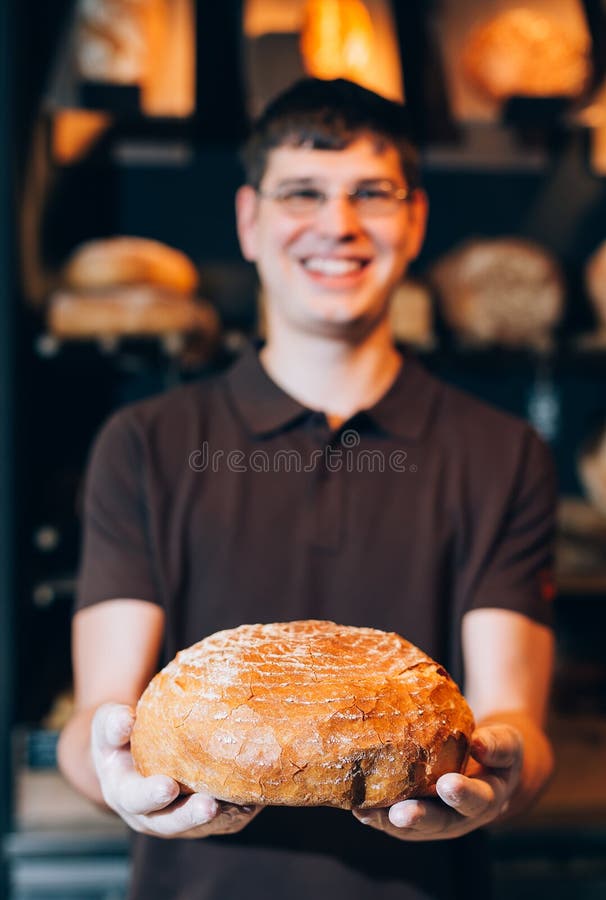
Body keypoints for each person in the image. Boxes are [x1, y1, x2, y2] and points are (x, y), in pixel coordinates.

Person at [58, 78, 556, 900]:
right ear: (249, 221)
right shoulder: (145, 445)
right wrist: (113, 772)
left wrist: (506, 773)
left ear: (415, 220)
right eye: (302, 193)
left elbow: (514, 722)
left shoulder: (504, 453)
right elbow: (98, 717)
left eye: (372, 193)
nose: (339, 224)